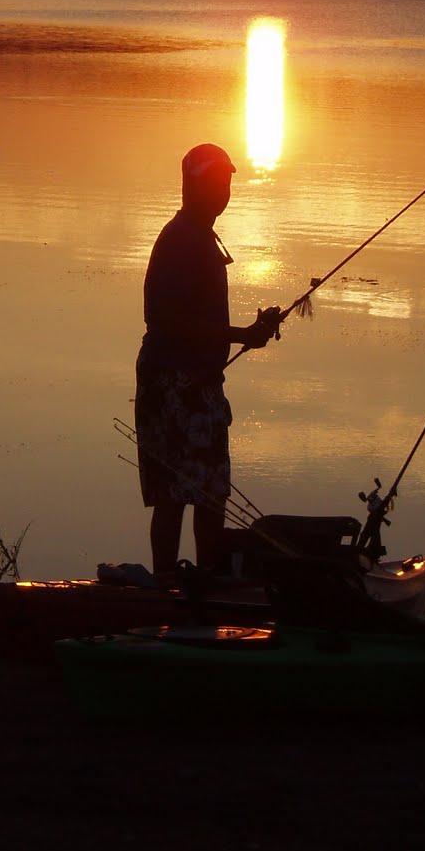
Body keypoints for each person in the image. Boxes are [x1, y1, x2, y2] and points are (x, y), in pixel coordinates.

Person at [134, 143, 281, 576]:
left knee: (206, 491)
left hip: (197, 382)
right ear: (193, 184)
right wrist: (240, 336)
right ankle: (172, 587)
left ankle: (204, 583)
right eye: (217, 182)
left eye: (228, 182)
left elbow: (197, 321)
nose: (224, 191)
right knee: (178, 495)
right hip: (175, 384)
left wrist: (244, 335)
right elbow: (166, 320)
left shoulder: (199, 236)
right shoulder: (182, 239)